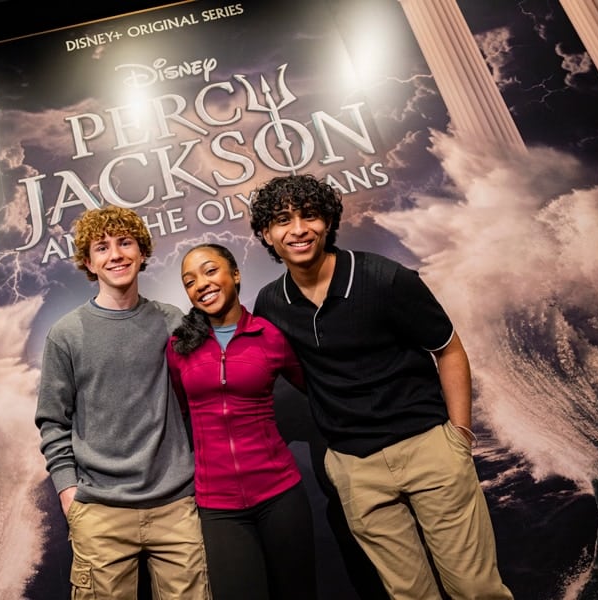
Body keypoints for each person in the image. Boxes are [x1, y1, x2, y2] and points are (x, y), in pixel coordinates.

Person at [248, 173, 513, 600]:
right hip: (355, 467)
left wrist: (460, 437)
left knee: (476, 589)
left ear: (328, 222)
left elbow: (448, 350)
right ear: (267, 233)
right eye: (282, 220)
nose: (298, 229)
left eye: (309, 216)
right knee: (409, 595)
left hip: (428, 448)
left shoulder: (385, 278)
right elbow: (290, 372)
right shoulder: (271, 303)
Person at [34, 205, 211, 599]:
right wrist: (69, 494)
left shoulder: (173, 322)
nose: (115, 255)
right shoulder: (66, 335)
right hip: (100, 511)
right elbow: (52, 421)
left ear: (142, 252)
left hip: (177, 506)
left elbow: (202, 397)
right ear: (88, 262)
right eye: (102, 247)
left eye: (125, 243)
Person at [165, 243, 317, 600]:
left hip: (280, 494)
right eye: (189, 281)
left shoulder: (270, 335)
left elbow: (315, 387)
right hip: (218, 506)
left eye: (210, 271)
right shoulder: (178, 347)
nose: (201, 283)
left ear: (235, 274)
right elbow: (180, 410)